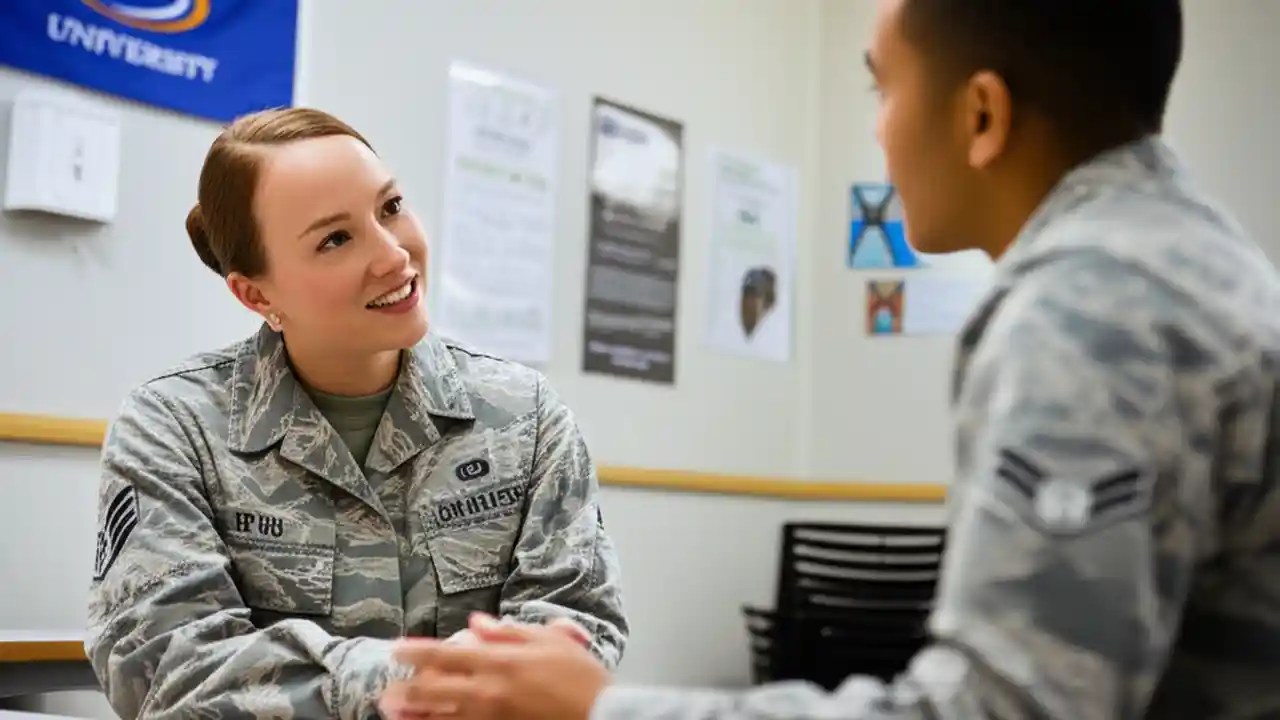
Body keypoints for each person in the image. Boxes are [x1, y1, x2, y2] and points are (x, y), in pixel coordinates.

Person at [384, 0, 1280, 718]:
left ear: (981, 114)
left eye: (881, 90)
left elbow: (1005, 708)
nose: (882, 132)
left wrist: (602, 712)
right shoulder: (1198, 260)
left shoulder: (1087, 311)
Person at [84, 107, 628, 720]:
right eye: (335, 239)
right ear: (256, 294)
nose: (395, 255)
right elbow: (164, 667)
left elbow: (578, 627)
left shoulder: (524, 417)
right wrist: (407, 683)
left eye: (390, 207)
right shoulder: (175, 427)